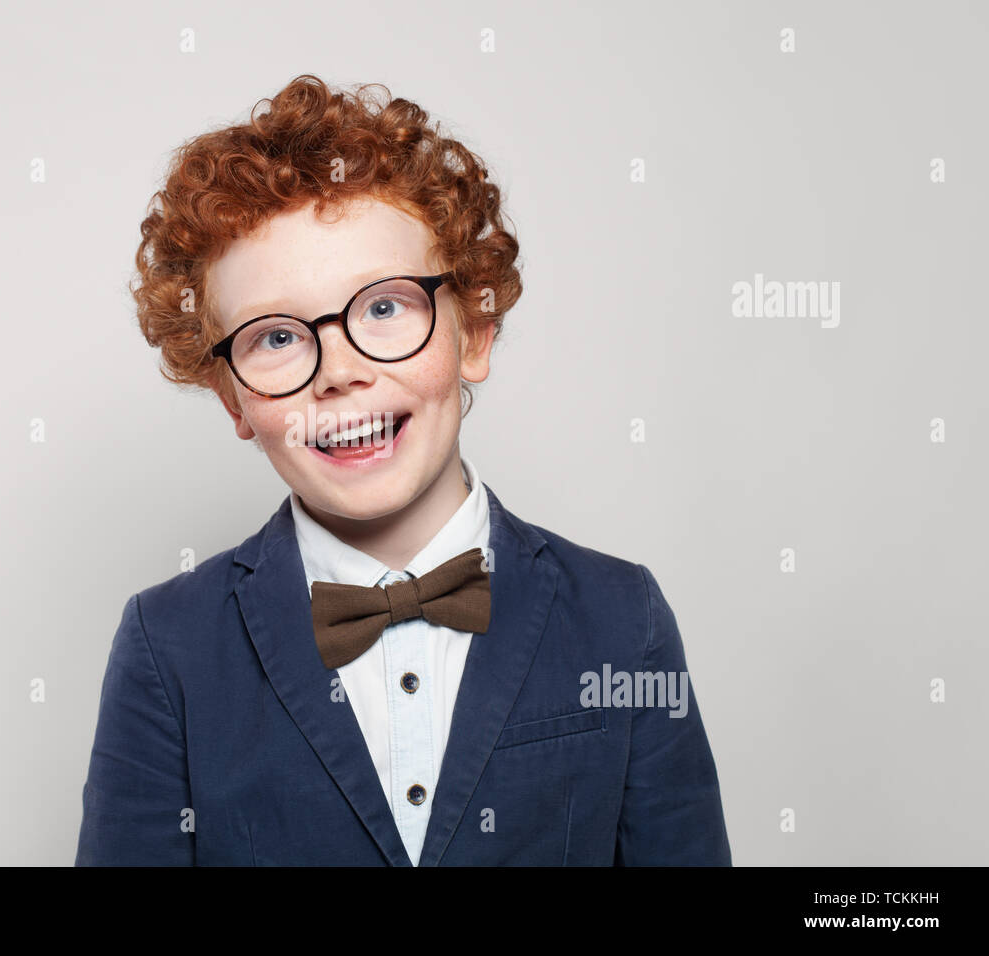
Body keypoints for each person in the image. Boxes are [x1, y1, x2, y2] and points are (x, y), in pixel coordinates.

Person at [75, 75, 731, 866]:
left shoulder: (624, 619)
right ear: (234, 400)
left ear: (476, 334)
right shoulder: (167, 647)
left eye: (384, 308)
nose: (339, 371)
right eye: (275, 338)